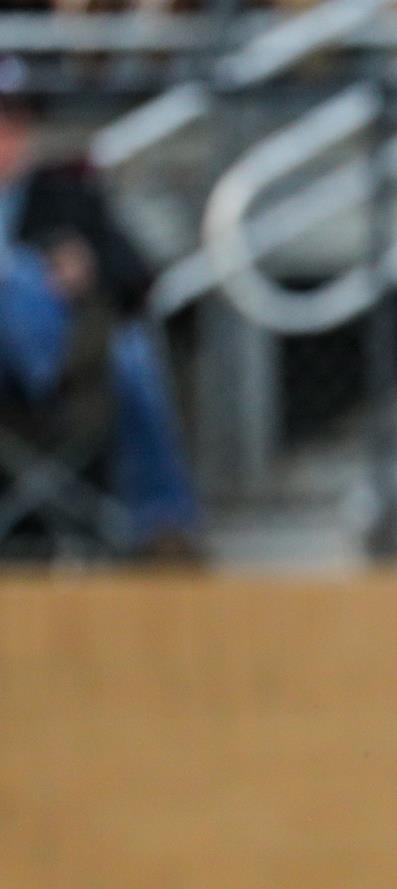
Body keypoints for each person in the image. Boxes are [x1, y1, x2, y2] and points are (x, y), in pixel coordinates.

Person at [0, 56, 200, 558]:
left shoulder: (65, 194)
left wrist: (84, 266)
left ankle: (162, 525)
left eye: (15, 121)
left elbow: (138, 277)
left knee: (129, 351)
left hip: (69, 369)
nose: (6, 136)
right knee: (13, 276)